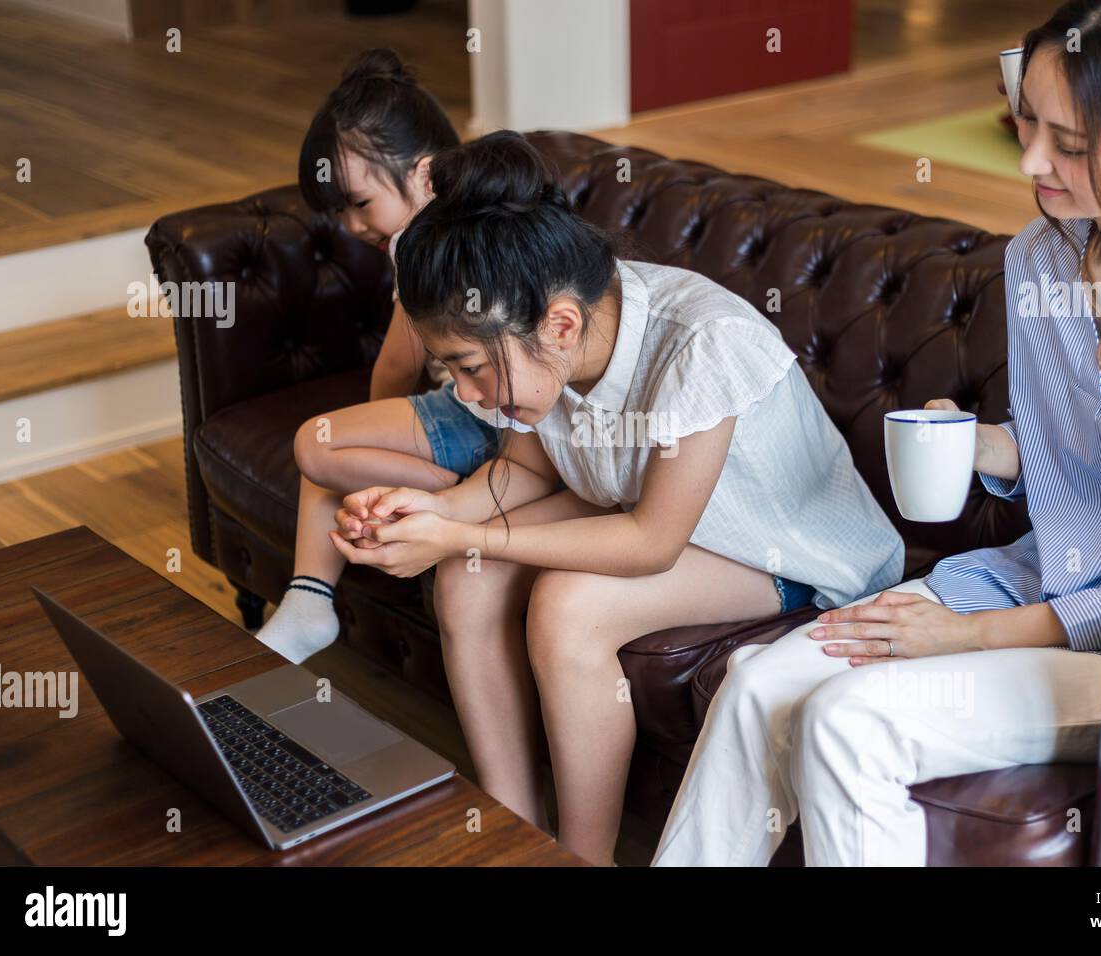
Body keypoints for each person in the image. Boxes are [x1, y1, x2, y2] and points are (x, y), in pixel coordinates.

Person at [652, 0, 1101, 866]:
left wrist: (974, 637)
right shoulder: (1042, 259)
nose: (1029, 162)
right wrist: (987, 447)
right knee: (757, 684)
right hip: (1021, 582)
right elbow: (1091, 465)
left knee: (846, 720)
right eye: (1029, 124)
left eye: (1070, 143)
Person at [325, 130, 905, 865]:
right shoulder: (555, 330)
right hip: (639, 505)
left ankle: (582, 856)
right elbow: (527, 474)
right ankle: (514, 828)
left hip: (786, 549)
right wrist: (428, 516)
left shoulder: (702, 342)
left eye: (470, 368)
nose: (466, 395)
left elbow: (650, 543)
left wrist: (466, 533)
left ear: (560, 324)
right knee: (465, 581)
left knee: (569, 603)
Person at [252, 49, 498, 663]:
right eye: (340, 212)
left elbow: (396, 365)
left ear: (423, 174)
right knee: (336, 452)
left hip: (486, 416)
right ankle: (308, 600)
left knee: (320, 446)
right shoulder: (465, 216)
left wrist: (372, 455)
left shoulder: (425, 242)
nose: (352, 226)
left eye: (359, 203)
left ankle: (316, 597)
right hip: (472, 411)